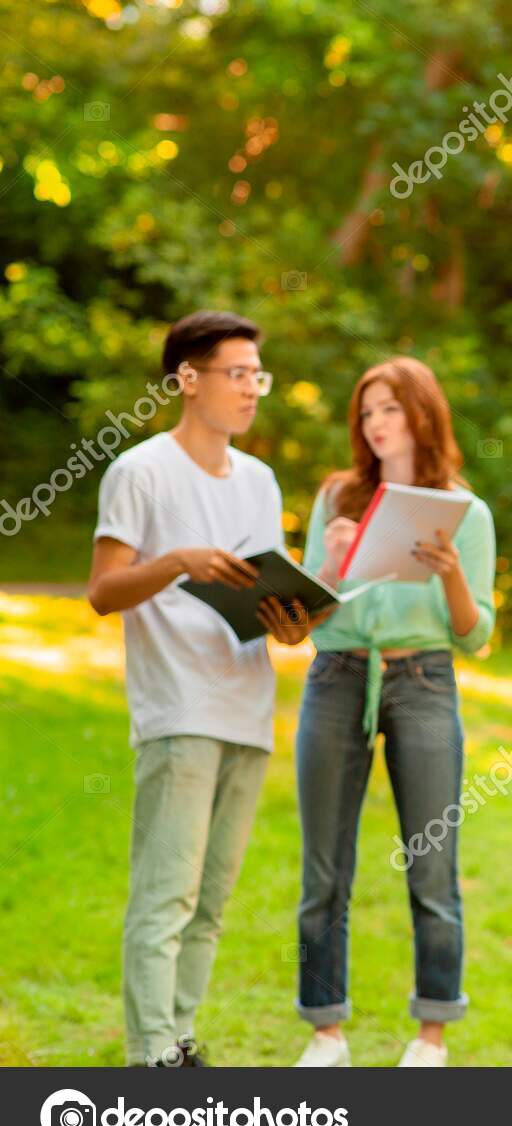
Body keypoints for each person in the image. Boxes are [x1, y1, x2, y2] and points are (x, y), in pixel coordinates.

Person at [89, 310, 316, 1067]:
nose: (254, 389)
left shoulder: (260, 480)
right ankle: (149, 1054)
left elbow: (265, 589)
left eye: (260, 375)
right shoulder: (141, 470)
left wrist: (291, 625)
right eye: (238, 373)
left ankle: (179, 1042)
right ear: (188, 379)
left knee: (211, 902)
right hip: (178, 708)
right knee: (167, 895)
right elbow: (103, 590)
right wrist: (177, 560)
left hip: (247, 708)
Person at [289, 357, 496, 1069]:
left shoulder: (465, 512)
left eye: (389, 409)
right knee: (323, 868)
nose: (375, 423)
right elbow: (310, 618)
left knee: (431, 866)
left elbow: (476, 634)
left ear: (422, 414)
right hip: (338, 675)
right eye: (366, 411)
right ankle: (325, 1031)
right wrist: (330, 565)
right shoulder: (338, 498)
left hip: (424, 680)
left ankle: (430, 1033)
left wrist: (451, 573)